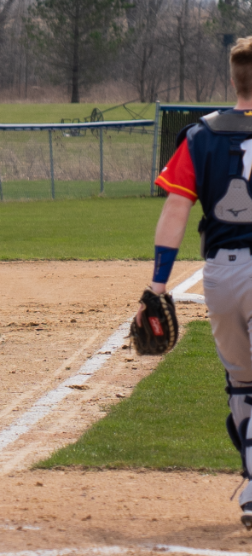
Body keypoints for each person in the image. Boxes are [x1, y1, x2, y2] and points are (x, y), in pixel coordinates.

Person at [147, 36, 252, 529]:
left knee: (244, 383)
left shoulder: (200, 135)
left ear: (234, 79)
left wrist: (158, 285)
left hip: (222, 274)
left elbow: (175, 210)